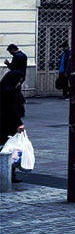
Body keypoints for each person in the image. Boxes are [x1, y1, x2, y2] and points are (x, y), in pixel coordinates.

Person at [1, 45, 27, 183]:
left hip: (4, 124)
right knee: (9, 148)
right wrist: (19, 124)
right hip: (8, 125)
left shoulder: (3, 89)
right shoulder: (11, 94)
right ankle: (9, 174)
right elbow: (13, 110)